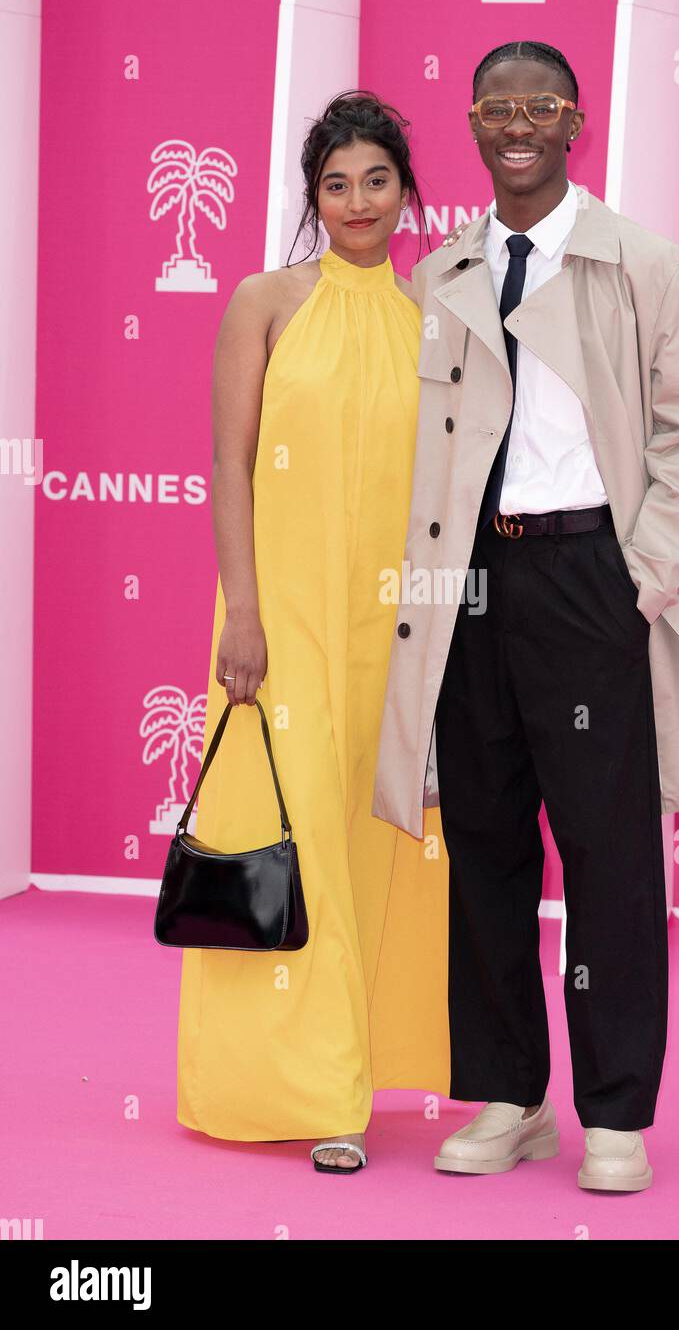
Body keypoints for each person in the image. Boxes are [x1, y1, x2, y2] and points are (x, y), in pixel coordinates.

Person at [372, 41, 679, 1189]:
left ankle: (615, 1114)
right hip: (468, 593)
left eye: (540, 105)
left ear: (575, 121)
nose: (518, 125)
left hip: (590, 576)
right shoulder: (437, 271)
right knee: (484, 847)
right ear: (473, 122)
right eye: (498, 107)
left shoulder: (644, 263)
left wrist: (643, 573)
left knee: (609, 855)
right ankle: (504, 1095)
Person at [176, 91, 450, 1173]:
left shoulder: (430, 313)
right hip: (279, 617)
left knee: (373, 840)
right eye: (335, 184)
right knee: (293, 843)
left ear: (405, 191)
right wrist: (241, 612)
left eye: (375, 180)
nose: (356, 202)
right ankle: (318, 1089)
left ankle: (364, 1064)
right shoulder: (263, 301)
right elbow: (224, 463)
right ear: (312, 195)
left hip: (392, 620)